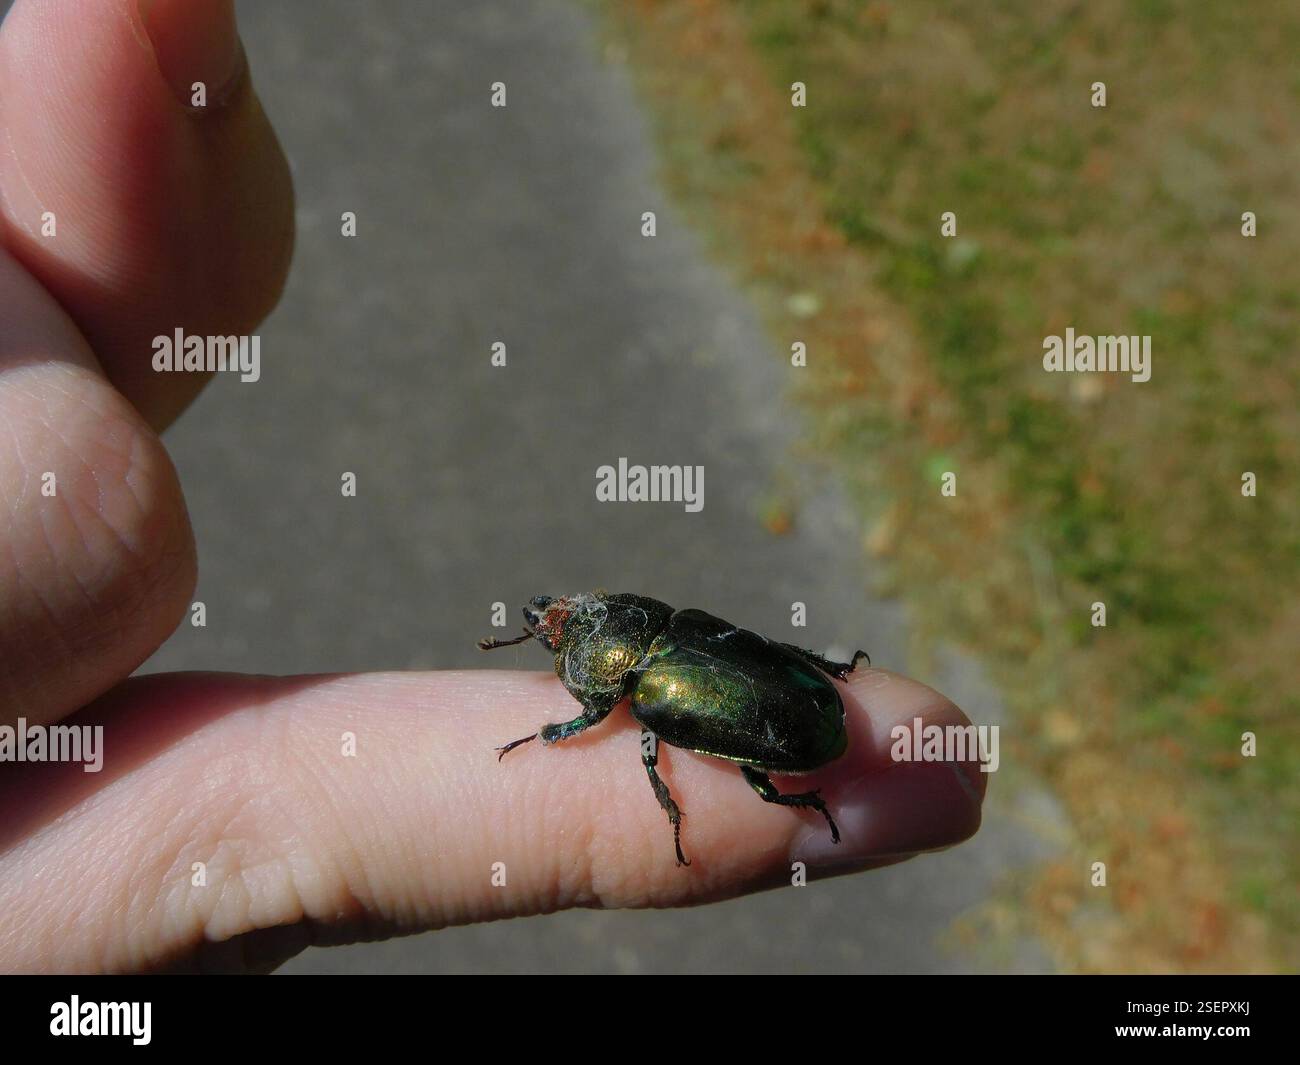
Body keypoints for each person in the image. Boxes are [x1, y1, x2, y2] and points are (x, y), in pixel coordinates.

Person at [0, 0, 983, 972]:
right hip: (790, 695)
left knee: (716, 759)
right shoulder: (661, 647)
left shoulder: (633, 693)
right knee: (754, 711)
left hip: (800, 713)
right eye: (569, 628)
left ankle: (807, 789)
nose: (565, 621)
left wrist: (556, 731)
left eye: (570, 627)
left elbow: (612, 713)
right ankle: (815, 762)